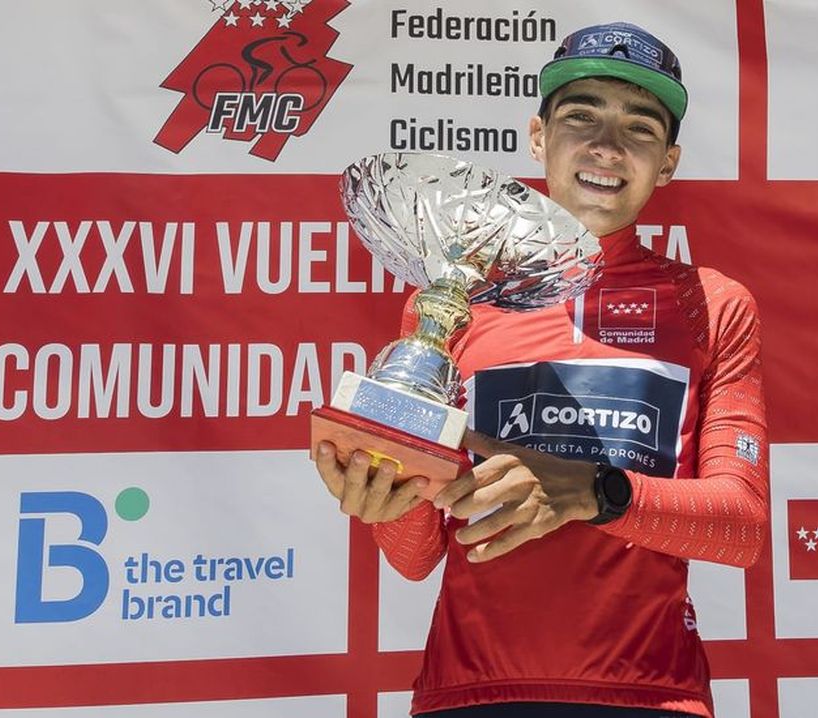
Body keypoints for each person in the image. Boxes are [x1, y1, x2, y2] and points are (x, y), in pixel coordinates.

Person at [315, 21, 768, 718]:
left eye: (639, 128)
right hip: (469, 692)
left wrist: (594, 492)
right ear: (537, 137)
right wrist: (385, 496)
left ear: (668, 162)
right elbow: (415, 557)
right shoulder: (449, 300)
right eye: (581, 116)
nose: (607, 146)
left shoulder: (712, 304)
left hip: (651, 695)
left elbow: (739, 528)